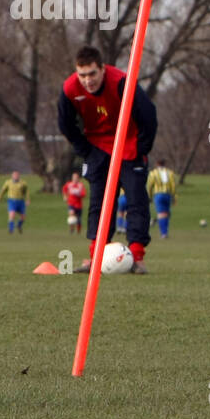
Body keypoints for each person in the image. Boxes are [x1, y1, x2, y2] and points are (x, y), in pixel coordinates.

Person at [57, 45, 156, 273]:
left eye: (92, 74)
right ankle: (95, 256)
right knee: (99, 203)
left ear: (102, 69)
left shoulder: (121, 82)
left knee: (136, 200)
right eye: (82, 75)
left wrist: (141, 147)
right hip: (97, 148)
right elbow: (65, 124)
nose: (88, 80)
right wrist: (84, 149)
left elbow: (148, 115)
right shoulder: (70, 88)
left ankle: (137, 256)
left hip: (128, 146)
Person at [146, 158, 177, 239]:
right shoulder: (170, 173)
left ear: (157, 164)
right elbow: (173, 185)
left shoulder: (153, 173)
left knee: (161, 214)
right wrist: (174, 196)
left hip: (158, 195)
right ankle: (165, 231)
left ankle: (163, 233)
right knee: (166, 214)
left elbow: (149, 185)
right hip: (167, 195)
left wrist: (149, 196)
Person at [0, 170, 30, 234]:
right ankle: (11, 230)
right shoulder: (8, 182)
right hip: (12, 201)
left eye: (17, 175)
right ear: (12, 176)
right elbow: (3, 191)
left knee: (23, 217)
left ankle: (19, 226)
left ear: (19, 176)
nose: (16, 176)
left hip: (21, 201)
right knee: (12, 215)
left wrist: (27, 200)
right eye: (14, 175)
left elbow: (26, 192)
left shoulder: (23, 183)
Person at [62, 171, 86, 235]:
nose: (75, 179)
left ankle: (78, 231)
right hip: (71, 204)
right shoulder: (69, 184)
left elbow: (84, 194)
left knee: (79, 219)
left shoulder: (80, 185)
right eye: (74, 177)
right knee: (71, 215)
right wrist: (65, 196)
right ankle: (71, 229)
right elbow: (64, 189)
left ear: (78, 178)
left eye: (76, 177)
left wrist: (79, 194)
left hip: (78, 205)